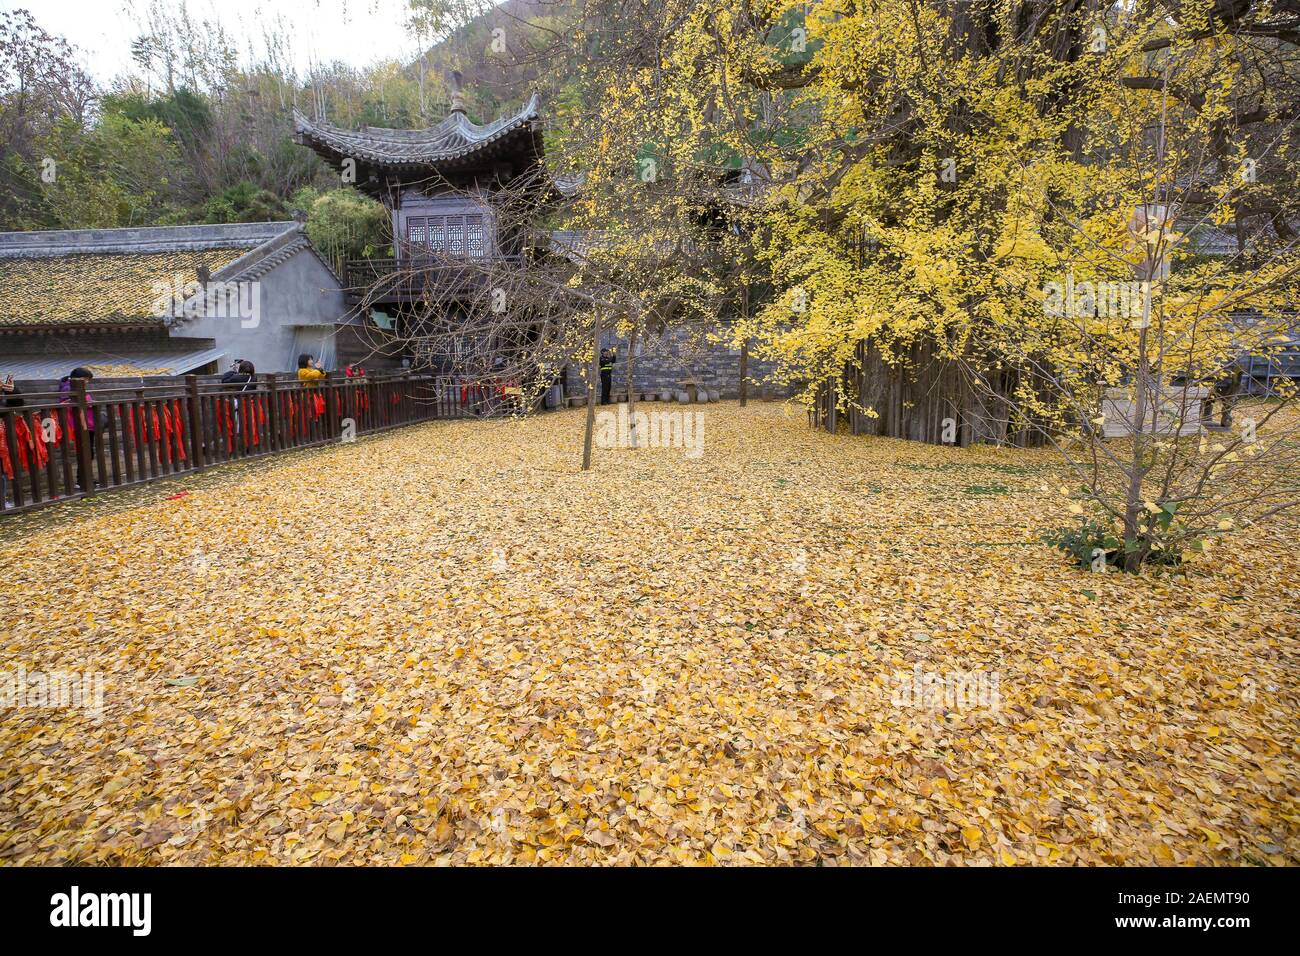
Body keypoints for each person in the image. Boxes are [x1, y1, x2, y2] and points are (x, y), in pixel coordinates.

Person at [58, 367, 97, 491]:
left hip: (86, 422)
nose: (87, 382)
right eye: (86, 379)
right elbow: (68, 403)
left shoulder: (72, 386)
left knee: (89, 452)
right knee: (85, 452)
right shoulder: (68, 388)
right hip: (78, 424)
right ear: (78, 378)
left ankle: (86, 478)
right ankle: (82, 480)